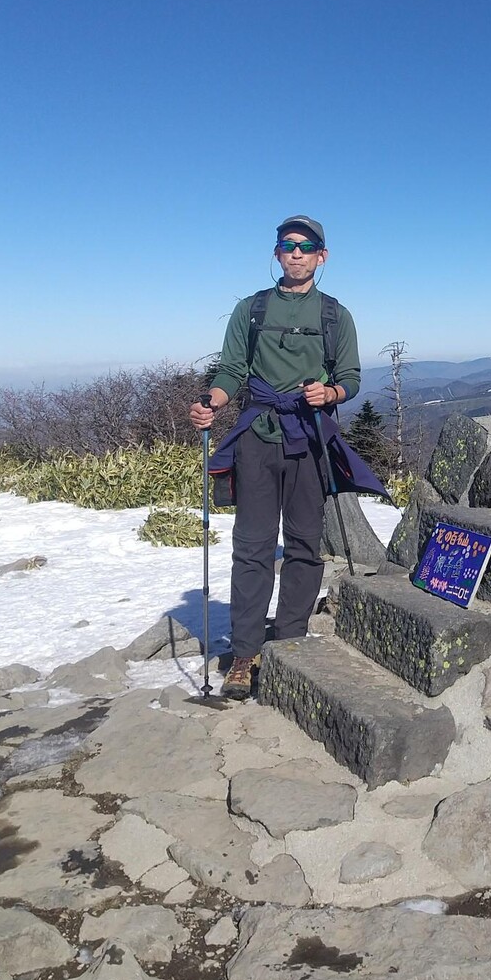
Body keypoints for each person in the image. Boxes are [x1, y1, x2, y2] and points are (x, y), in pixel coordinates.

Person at [190, 214, 368, 700]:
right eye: (288, 245)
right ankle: (245, 653)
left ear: (321, 257)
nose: (296, 253)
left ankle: (290, 643)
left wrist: (329, 394)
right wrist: (212, 403)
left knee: (305, 544)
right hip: (258, 435)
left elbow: (351, 378)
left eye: (306, 247)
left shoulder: (335, 316)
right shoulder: (250, 310)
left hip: (309, 437)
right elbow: (231, 371)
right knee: (252, 546)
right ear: (276, 253)